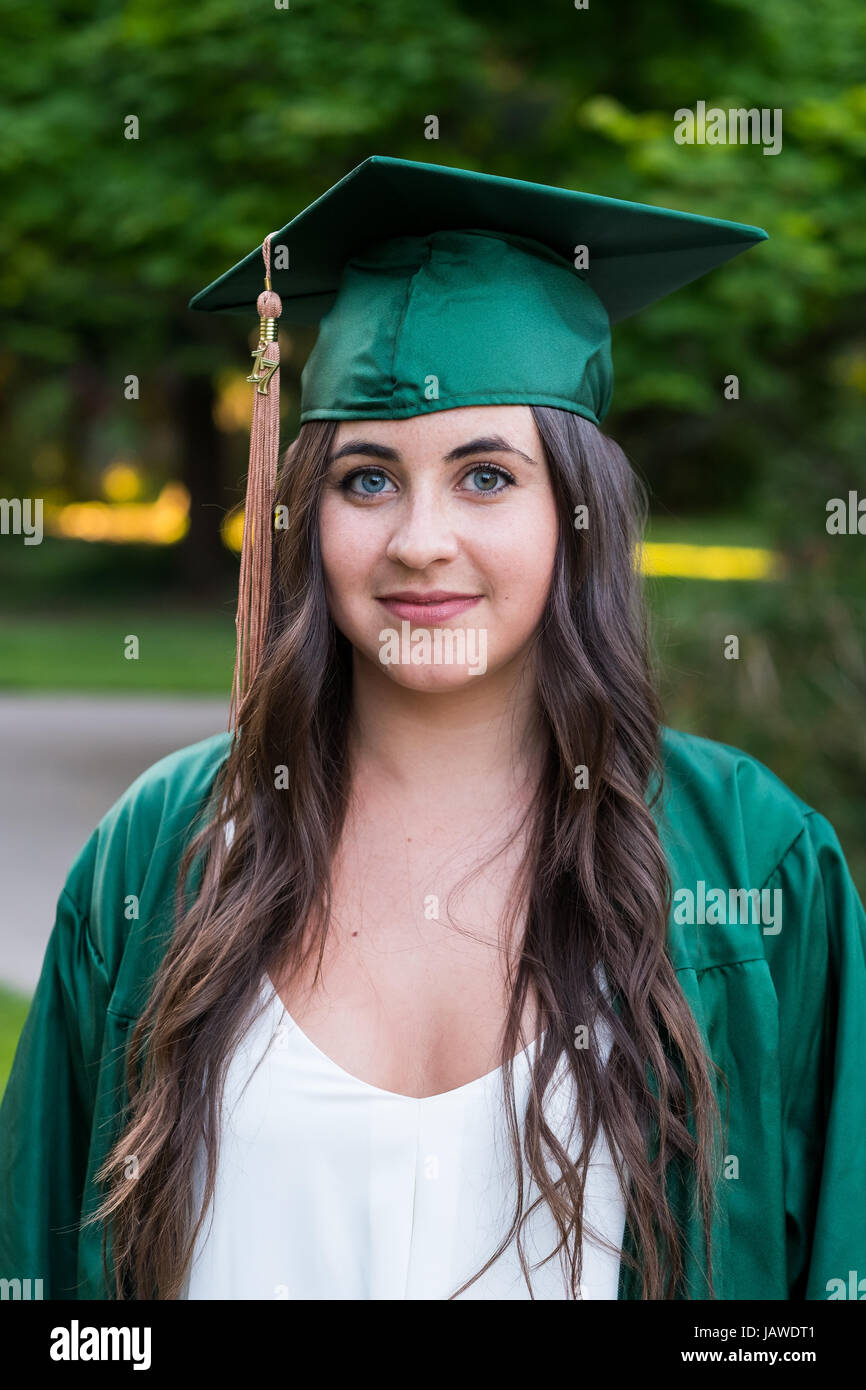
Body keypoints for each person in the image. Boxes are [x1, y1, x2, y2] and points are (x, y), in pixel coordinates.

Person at [1, 157, 864, 1302]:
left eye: (485, 477)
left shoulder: (751, 861)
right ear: (308, 513)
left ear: (577, 511)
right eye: (366, 480)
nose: (417, 538)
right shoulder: (163, 845)